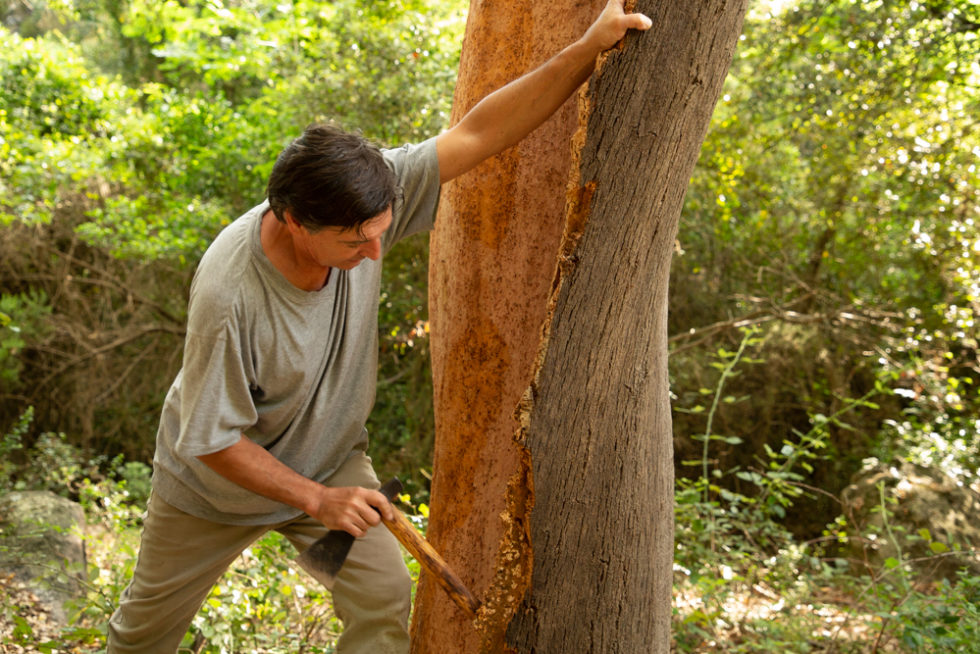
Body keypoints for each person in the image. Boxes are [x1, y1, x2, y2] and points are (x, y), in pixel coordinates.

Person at [106, 2, 651, 652]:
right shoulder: (230, 295)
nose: (373, 253)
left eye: (379, 234)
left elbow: (481, 131)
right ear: (295, 222)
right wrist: (316, 500)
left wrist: (589, 47)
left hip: (331, 460)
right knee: (142, 638)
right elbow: (212, 440)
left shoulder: (367, 194)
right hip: (214, 492)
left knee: (383, 601)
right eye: (354, 242)